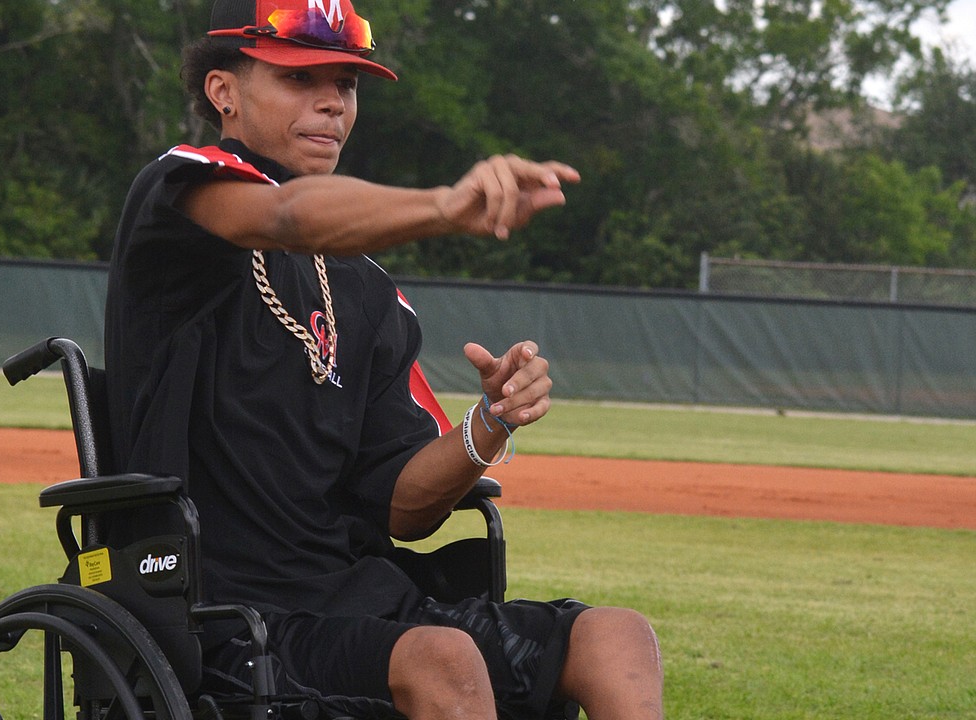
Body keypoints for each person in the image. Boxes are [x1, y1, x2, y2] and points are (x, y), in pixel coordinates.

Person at [104, 1, 664, 719]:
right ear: (224, 91)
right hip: (216, 616)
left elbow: (402, 507)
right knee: (444, 658)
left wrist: (489, 423)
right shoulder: (180, 194)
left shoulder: (367, 291)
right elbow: (286, 216)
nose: (333, 101)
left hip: (353, 602)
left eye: (347, 83)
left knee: (615, 636)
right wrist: (444, 205)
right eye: (301, 78)